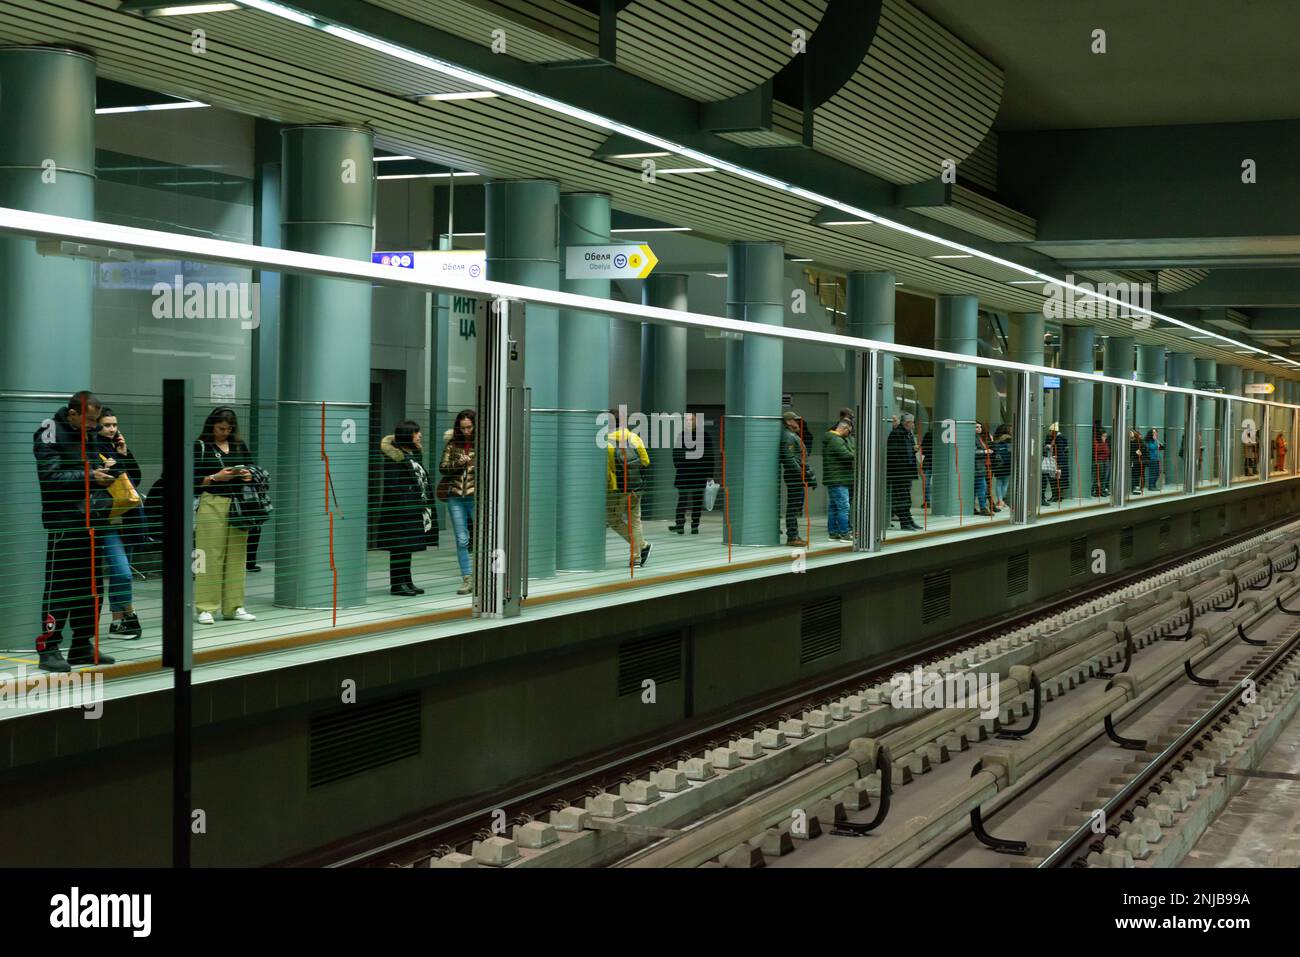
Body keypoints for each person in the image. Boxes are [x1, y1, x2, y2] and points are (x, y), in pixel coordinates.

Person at [33, 391, 116, 672]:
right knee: (60, 587)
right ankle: (49, 647)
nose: (94, 426)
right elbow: (50, 477)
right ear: (72, 414)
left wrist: (107, 468)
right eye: (90, 420)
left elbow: (91, 469)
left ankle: (82, 642)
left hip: (92, 520)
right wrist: (90, 476)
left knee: (92, 587)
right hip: (65, 522)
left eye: (95, 421)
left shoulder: (89, 434)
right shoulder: (49, 432)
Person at [193, 407, 257, 625]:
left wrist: (248, 474)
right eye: (221, 428)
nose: (225, 433)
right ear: (212, 426)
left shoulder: (239, 445)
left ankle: (234, 606)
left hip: (238, 504)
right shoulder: (200, 446)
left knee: (238, 556)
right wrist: (215, 477)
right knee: (208, 555)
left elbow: (252, 469)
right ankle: (205, 607)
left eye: (229, 429)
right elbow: (191, 479)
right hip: (212, 502)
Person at [96, 407, 144, 637]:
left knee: (120, 575)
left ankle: (117, 622)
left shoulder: (118, 448)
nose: (112, 429)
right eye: (106, 425)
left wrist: (124, 454)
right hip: (107, 521)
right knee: (122, 571)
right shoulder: (93, 449)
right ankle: (129, 612)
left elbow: (135, 479)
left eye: (114, 424)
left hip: (128, 518)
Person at [379, 419, 435, 596]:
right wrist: (407, 503)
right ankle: (397, 584)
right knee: (399, 548)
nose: (419, 435)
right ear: (406, 436)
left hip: (412, 511)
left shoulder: (412, 455)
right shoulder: (395, 457)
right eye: (415, 432)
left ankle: (406, 581)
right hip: (400, 513)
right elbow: (392, 486)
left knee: (406, 547)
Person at [606, 408, 652, 567]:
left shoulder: (605, 441)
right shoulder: (634, 438)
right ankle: (637, 556)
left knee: (611, 518)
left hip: (616, 488)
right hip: (635, 486)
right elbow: (646, 462)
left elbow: (608, 469)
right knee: (635, 520)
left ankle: (640, 545)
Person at [439, 411, 477, 595]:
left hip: (477, 497)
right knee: (462, 540)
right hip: (456, 497)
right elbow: (443, 468)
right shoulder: (452, 444)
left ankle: (486, 575)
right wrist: (458, 463)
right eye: (462, 428)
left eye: (469, 427)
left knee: (486, 537)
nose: (466, 431)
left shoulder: (485, 444)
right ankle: (467, 578)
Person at [668, 412, 715, 535]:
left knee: (696, 500)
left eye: (692, 420)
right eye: (687, 420)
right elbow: (676, 453)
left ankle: (695, 525)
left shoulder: (705, 436)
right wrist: (679, 466)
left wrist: (709, 474)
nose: (689, 422)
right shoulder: (682, 435)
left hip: (698, 473)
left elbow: (710, 456)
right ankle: (679, 525)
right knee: (682, 500)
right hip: (684, 473)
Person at [779, 410, 812, 547]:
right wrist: (802, 473)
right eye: (794, 420)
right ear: (788, 422)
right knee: (793, 506)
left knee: (796, 505)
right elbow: (790, 458)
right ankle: (792, 536)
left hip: (796, 474)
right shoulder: (788, 437)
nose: (797, 422)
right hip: (794, 475)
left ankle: (794, 535)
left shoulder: (792, 435)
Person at [887, 413, 922, 531]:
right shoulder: (896, 434)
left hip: (907, 472)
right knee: (902, 498)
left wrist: (914, 450)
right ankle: (905, 522)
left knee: (906, 498)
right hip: (900, 473)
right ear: (907, 423)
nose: (913, 425)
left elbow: (908, 451)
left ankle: (909, 520)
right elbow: (894, 455)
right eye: (912, 422)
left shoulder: (908, 434)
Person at [822, 418, 855, 540]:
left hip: (834, 478)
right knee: (843, 507)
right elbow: (847, 455)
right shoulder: (836, 440)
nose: (849, 434)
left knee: (834, 507)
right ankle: (844, 533)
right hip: (839, 478)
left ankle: (833, 532)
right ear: (844, 428)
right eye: (849, 431)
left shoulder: (830, 438)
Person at [973, 422, 995, 516]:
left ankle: (974, 508)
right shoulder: (973, 438)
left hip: (980, 467)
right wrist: (985, 451)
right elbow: (972, 451)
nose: (979, 428)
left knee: (977, 488)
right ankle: (982, 508)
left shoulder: (978, 437)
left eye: (980, 427)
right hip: (976, 468)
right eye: (977, 427)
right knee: (982, 487)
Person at [991, 424, 1012, 511]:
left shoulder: (996, 440)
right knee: (1005, 483)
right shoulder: (1011, 440)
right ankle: (1002, 501)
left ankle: (999, 501)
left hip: (998, 464)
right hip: (1008, 464)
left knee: (999, 483)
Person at [1092, 428, 1111, 497]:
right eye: (1104, 436)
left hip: (1106, 460)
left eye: (1106, 436)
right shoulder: (1096, 442)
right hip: (1099, 461)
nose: (1105, 438)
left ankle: (1102, 490)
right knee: (1098, 476)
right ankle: (1095, 490)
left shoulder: (1105, 442)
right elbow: (1097, 450)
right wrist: (1103, 443)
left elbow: (1107, 450)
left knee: (1105, 476)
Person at [1129, 428, 1145, 494]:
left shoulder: (1139, 441)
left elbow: (1142, 450)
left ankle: (1136, 487)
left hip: (1137, 461)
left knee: (1136, 475)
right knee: (1134, 475)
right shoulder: (1130, 441)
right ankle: (1134, 487)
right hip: (1133, 460)